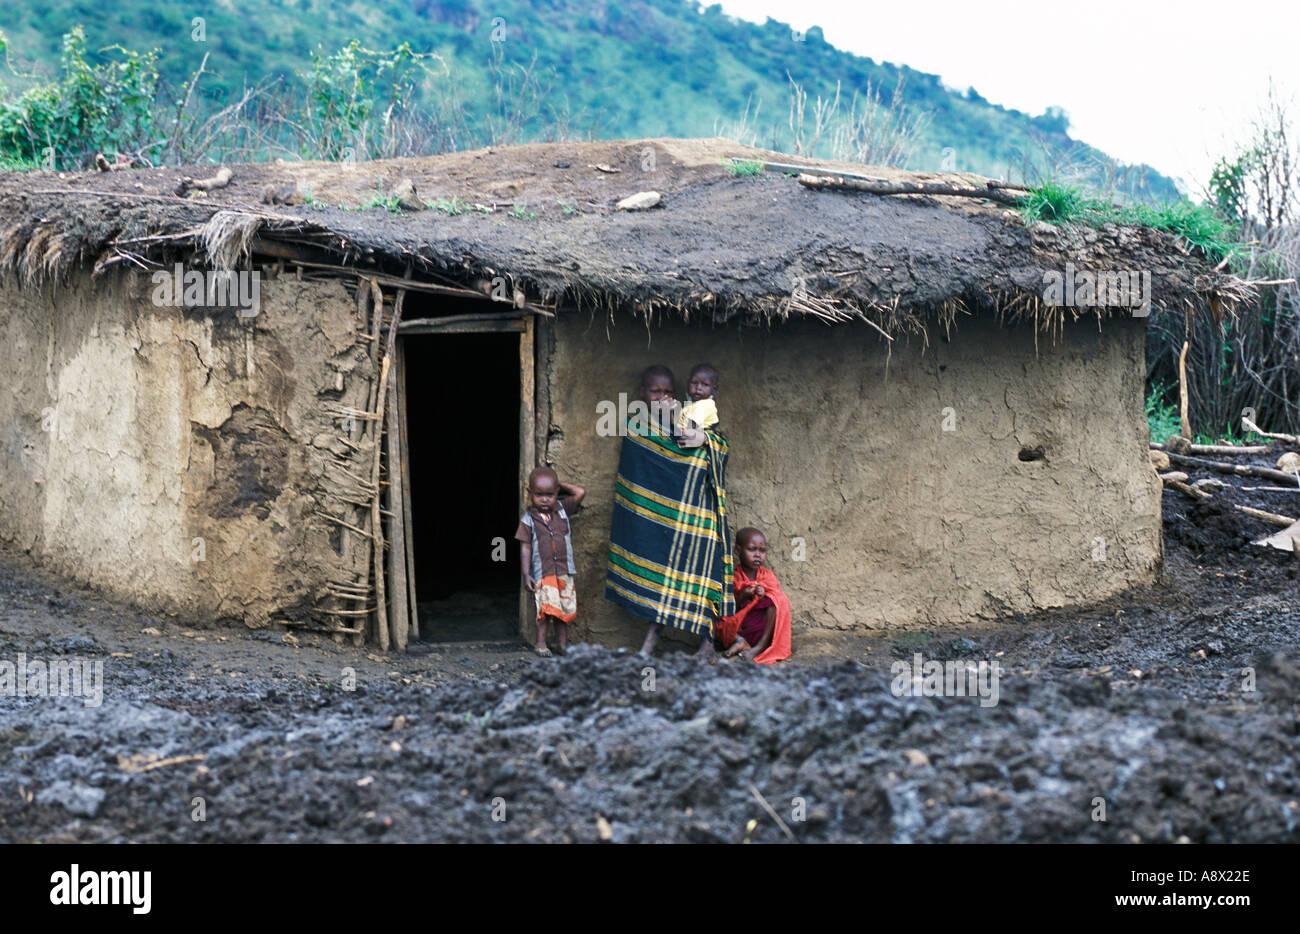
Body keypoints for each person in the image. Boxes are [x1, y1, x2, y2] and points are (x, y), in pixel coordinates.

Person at [606, 364, 734, 660]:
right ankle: (651, 641)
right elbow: (638, 480)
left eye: (668, 392)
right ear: (642, 393)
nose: (663, 397)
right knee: (662, 576)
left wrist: (706, 442)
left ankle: (707, 644)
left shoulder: (691, 418)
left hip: (696, 517)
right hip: (658, 524)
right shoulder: (637, 429)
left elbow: (721, 447)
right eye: (655, 391)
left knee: (706, 574)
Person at [515, 467, 586, 657]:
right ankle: (541, 644)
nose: (544, 499)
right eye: (539, 495)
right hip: (543, 572)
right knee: (545, 611)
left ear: (556, 493)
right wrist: (526, 573)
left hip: (564, 570)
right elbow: (525, 547)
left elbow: (580, 492)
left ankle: (562, 646)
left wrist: (558, 484)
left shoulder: (563, 509)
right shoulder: (528, 519)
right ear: (530, 494)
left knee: (563, 611)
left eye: (550, 494)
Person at [717, 527, 792, 664]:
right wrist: (743, 596)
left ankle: (759, 647)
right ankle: (741, 642)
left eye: (762, 551)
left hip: (762, 631)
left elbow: (776, 598)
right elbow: (728, 610)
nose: (758, 555)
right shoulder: (733, 578)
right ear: (738, 551)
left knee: (778, 599)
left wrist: (765, 595)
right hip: (740, 629)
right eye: (752, 549)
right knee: (718, 623)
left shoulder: (767, 576)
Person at [676, 363, 720, 438]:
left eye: (705, 384)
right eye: (694, 383)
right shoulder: (693, 404)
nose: (698, 387)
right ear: (688, 384)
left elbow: (690, 429)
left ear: (714, 389)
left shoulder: (704, 405)